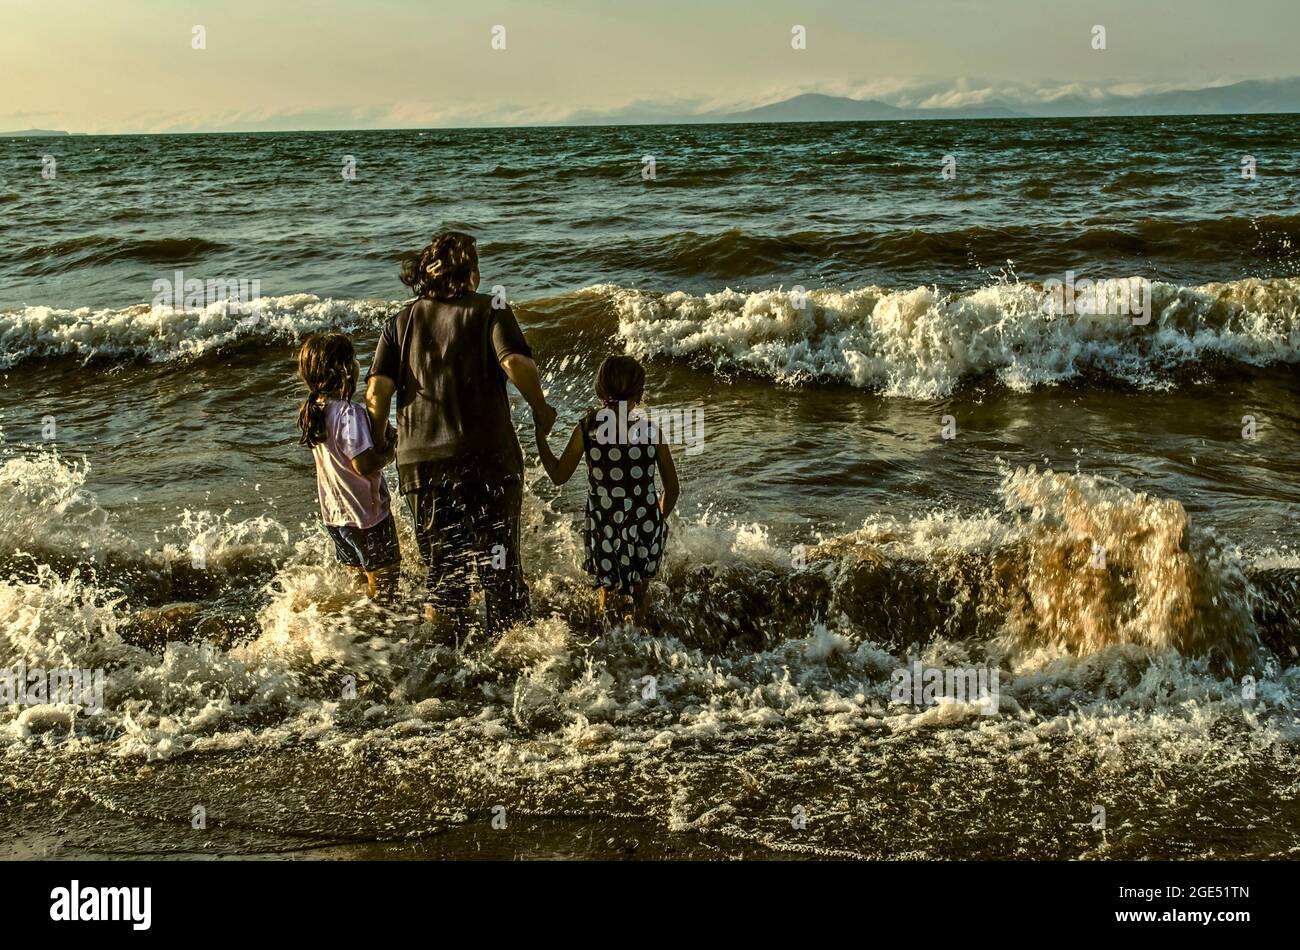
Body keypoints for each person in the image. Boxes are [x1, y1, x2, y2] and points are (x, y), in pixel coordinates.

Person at [365, 231, 557, 635]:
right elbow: (516, 365)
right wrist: (540, 409)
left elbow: (377, 393)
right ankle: (511, 667)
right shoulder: (491, 309)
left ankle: (446, 672)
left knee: (444, 583)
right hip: (488, 463)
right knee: (501, 576)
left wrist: (381, 440)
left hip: (422, 470)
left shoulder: (398, 324)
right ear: (470, 273)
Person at [534, 355, 679, 625]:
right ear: (640, 393)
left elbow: (558, 474)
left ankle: (610, 649)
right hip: (645, 524)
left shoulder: (587, 429)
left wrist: (539, 436)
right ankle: (643, 643)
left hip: (606, 526)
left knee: (608, 594)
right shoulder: (651, 431)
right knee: (641, 593)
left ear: (600, 390)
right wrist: (655, 519)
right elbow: (672, 488)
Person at [296, 332, 400, 602]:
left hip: (335, 517)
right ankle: (386, 632)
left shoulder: (314, 411)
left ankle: (359, 629)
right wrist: (390, 451)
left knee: (358, 582)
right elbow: (363, 464)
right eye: (353, 359)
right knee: (385, 582)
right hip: (368, 517)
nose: (357, 364)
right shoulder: (348, 412)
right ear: (342, 369)